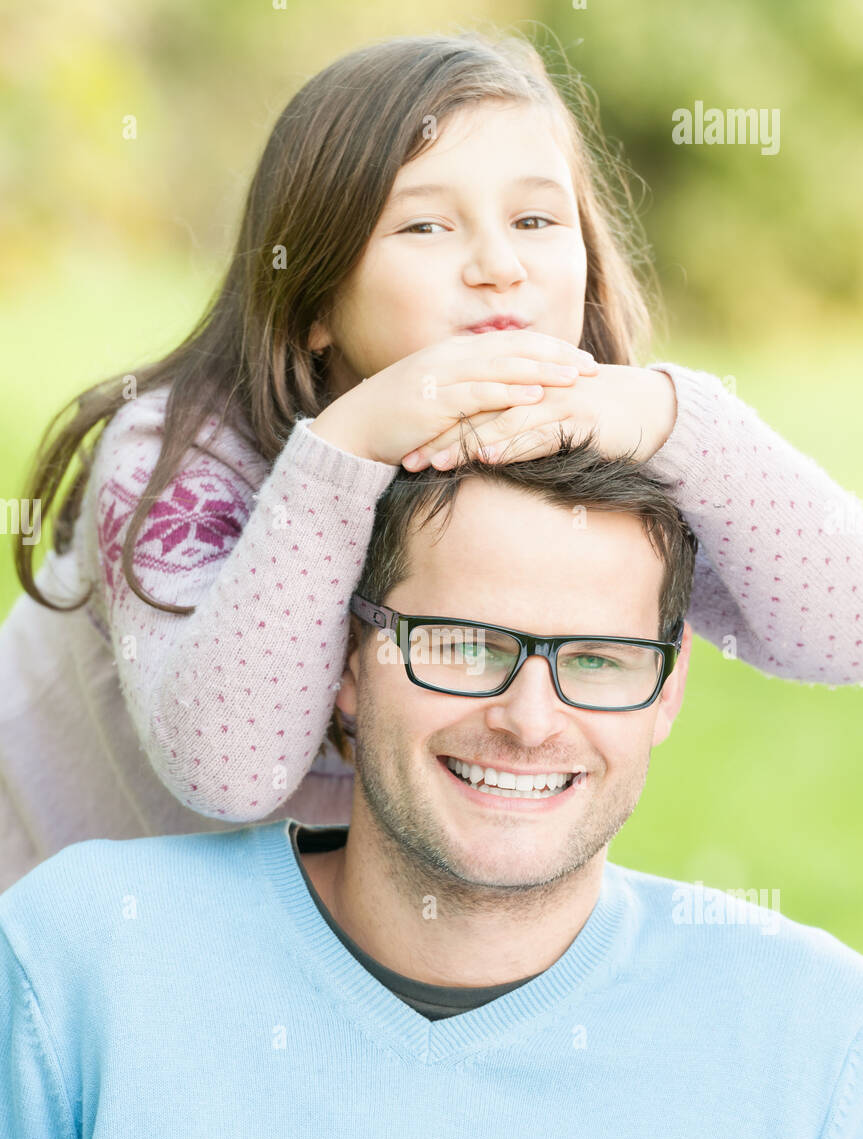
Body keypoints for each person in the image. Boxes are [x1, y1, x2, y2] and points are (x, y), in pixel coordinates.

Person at [2, 32, 862, 895]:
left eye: (533, 220)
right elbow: (229, 771)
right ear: (311, 302)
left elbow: (845, 629)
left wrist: (679, 418)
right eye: (425, 225)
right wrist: (343, 453)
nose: (499, 266)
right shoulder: (179, 450)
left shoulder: (584, 442)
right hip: (55, 927)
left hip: (334, 956)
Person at [1, 437, 860, 1139]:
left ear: (666, 692)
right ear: (343, 658)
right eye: (461, 645)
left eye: (597, 659)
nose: (529, 720)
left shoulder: (814, 1034)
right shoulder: (82, 960)